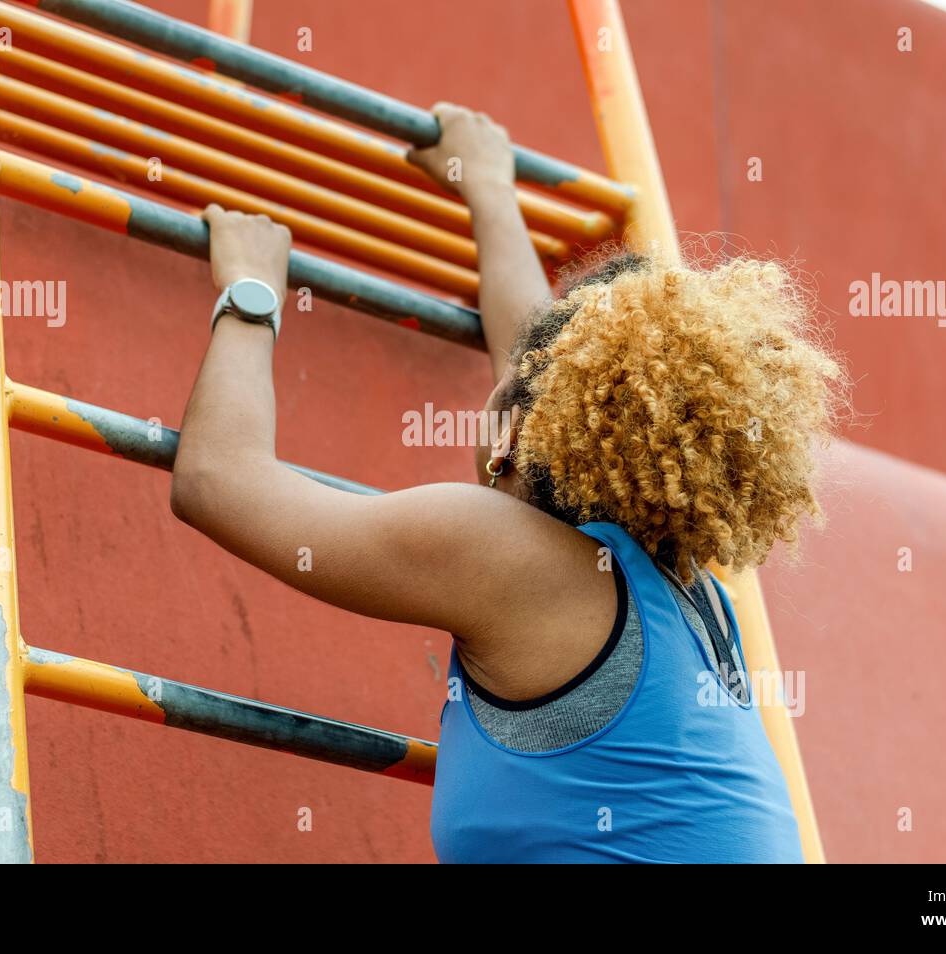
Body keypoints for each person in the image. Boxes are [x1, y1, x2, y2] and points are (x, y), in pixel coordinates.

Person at [171, 103, 843, 862]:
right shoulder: (690, 595)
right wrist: (489, 188)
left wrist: (252, 293)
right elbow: (531, 358)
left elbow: (216, 481)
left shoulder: (509, 558)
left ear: (510, 436)